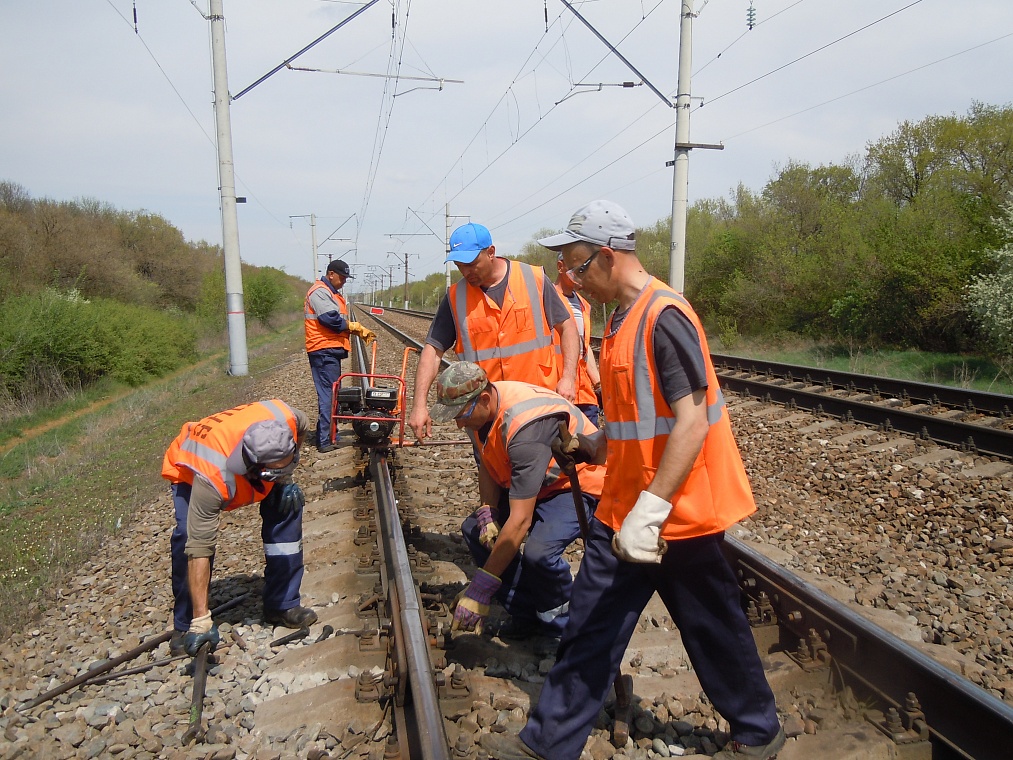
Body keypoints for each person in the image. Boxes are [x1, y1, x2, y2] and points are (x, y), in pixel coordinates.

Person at [481, 201, 784, 760]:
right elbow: (633, 420)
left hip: (677, 515)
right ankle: (547, 743)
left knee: (712, 624)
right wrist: (593, 444)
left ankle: (759, 729)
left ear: (607, 256)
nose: (570, 280)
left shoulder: (664, 315)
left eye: (575, 266)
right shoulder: (619, 321)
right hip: (621, 509)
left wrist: (653, 508)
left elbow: (691, 421)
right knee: (590, 626)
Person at [430, 362, 605, 638]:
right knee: (477, 531)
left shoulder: (524, 428)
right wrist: (488, 512)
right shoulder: (481, 412)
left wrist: (481, 588)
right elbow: (488, 462)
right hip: (539, 483)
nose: (458, 423)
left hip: (575, 483)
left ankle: (565, 627)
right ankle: (528, 614)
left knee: (540, 554)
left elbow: (520, 521)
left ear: (484, 400)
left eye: (460, 415)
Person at [162, 399, 319, 656]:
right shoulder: (212, 479)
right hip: (190, 468)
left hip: (256, 457)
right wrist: (202, 620)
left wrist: (284, 478)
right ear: (253, 467)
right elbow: (200, 547)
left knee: (287, 506)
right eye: (272, 474)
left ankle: (282, 603)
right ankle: (187, 622)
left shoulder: (288, 418)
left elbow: (302, 427)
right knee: (188, 539)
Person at [408, 222, 580, 442]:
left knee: (540, 474)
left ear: (491, 252)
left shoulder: (532, 278)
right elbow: (432, 351)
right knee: (494, 475)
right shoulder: (455, 297)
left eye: (471, 263)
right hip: (486, 415)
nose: (465, 271)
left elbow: (568, 327)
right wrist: (419, 405)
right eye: (459, 264)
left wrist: (568, 378)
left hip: (538, 407)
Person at [305, 259, 375, 452]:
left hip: (328, 350)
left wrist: (354, 328)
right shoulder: (319, 291)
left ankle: (328, 434)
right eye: (342, 278)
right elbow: (330, 319)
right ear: (331, 274)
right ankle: (325, 440)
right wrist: (352, 327)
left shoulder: (330, 292)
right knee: (329, 394)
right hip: (323, 350)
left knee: (332, 393)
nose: (344, 281)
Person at [553, 252, 602, 427]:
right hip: (558, 391)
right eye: (576, 269)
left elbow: (584, 346)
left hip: (585, 393)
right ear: (560, 267)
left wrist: (597, 383)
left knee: (591, 449)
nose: (581, 274)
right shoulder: (547, 299)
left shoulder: (583, 304)